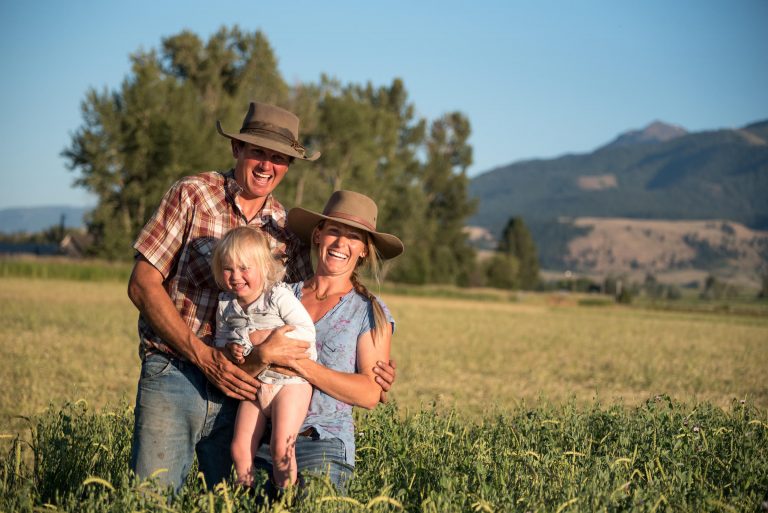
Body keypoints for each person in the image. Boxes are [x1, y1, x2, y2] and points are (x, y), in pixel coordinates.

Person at [127, 101, 397, 492]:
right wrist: (203, 355)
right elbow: (141, 284)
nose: (267, 165)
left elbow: (324, 303)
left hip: (244, 390)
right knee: (152, 493)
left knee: (226, 498)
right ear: (237, 149)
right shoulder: (193, 195)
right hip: (176, 373)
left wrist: (380, 358)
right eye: (258, 152)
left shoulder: (285, 230)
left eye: (279, 158)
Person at [244, 189, 405, 493]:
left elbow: (370, 393)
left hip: (323, 445)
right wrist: (263, 354)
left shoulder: (370, 311)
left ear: (364, 251)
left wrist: (300, 364)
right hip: (262, 441)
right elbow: (244, 367)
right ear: (318, 236)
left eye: (354, 237)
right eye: (334, 231)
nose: (341, 243)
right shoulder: (278, 296)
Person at [211, 226, 317, 489]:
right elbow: (222, 341)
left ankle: (288, 498)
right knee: (239, 447)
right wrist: (231, 349)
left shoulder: (277, 296)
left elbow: (307, 333)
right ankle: (243, 495)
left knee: (281, 448)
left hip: (290, 384)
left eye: (244, 268)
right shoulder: (226, 305)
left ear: (264, 268)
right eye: (228, 269)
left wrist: (262, 337)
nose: (236, 277)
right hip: (256, 386)